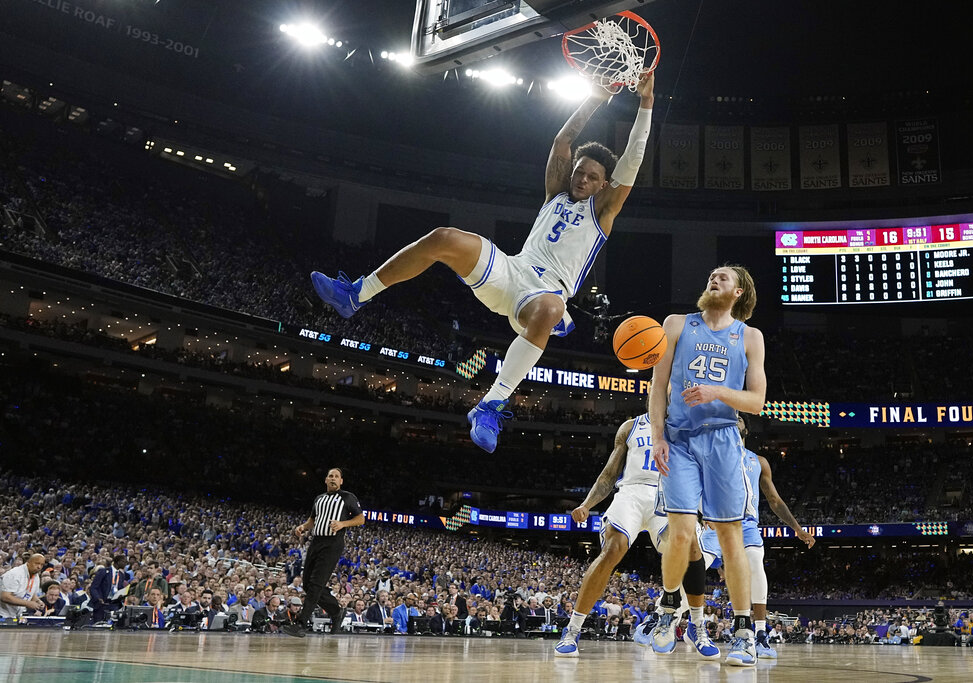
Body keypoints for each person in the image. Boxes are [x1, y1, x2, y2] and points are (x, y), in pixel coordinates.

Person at [310, 74, 655, 453]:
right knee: (444, 238)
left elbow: (633, 158)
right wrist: (595, 98)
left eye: (592, 177)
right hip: (510, 271)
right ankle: (357, 293)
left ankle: (491, 404)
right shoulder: (556, 193)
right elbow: (562, 142)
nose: (582, 179)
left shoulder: (602, 211)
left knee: (553, 307)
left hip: (546, 294)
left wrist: (645, 102)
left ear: (604, 185)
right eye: (579, 171)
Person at [649, 264, 766, 666]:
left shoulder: (749, 336)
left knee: (731, 536)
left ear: (738, 292)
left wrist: (717, 390)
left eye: (723, 278)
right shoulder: (677, 324)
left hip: (723, 438)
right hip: (679, 440)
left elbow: (756, 401)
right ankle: (667, 613)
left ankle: (744, 631)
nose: (714, 279)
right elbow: (657, 383)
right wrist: (658, 436)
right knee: (680, 534)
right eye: (712, 275)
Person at [554, 413, 716, 659]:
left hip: (666, 494)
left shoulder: (684, 428)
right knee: (611, 550)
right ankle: (572, 630)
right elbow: (609, 475)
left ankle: (696, 625)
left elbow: (696, 476)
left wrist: (708, 510)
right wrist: (587, 504)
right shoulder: (630, 426)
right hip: (630, 493)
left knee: (691, 544)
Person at [695, 413, 815, 659]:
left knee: (755, 564)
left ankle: (759, 634)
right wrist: (699, 513)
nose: (734, 419)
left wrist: (797, 528)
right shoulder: (711, 455)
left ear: (746, 430)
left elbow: (774, 500)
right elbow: (697, 486)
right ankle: (678, 620)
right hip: (716, 522)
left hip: (747, 524)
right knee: (695, 568)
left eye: (739, 418)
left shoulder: (758, 461)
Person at [283, 467, 365, 638]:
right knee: (307, 584)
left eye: (336, 476)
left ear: (341, 481)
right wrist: (303, 527)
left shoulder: (347, 497)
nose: (333, 478)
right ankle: (336, 611)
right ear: (326, 480)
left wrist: (343, 524)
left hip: (332, 543)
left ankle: (301, 624)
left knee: (316, 584)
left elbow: (360, 518)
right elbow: (313, 519)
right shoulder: (319, 498)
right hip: (316, 541)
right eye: (330, 476)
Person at [1, 554, 46, 621]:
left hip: (17, 615)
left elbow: (30, 593)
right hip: (3, 615)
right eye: (37, 563)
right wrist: (28, 603)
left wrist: (38, 601)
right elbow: (4, 597)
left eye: (42, 565)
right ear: (28, 562)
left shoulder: (36, 576)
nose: (39, 567)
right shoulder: (15, 574)